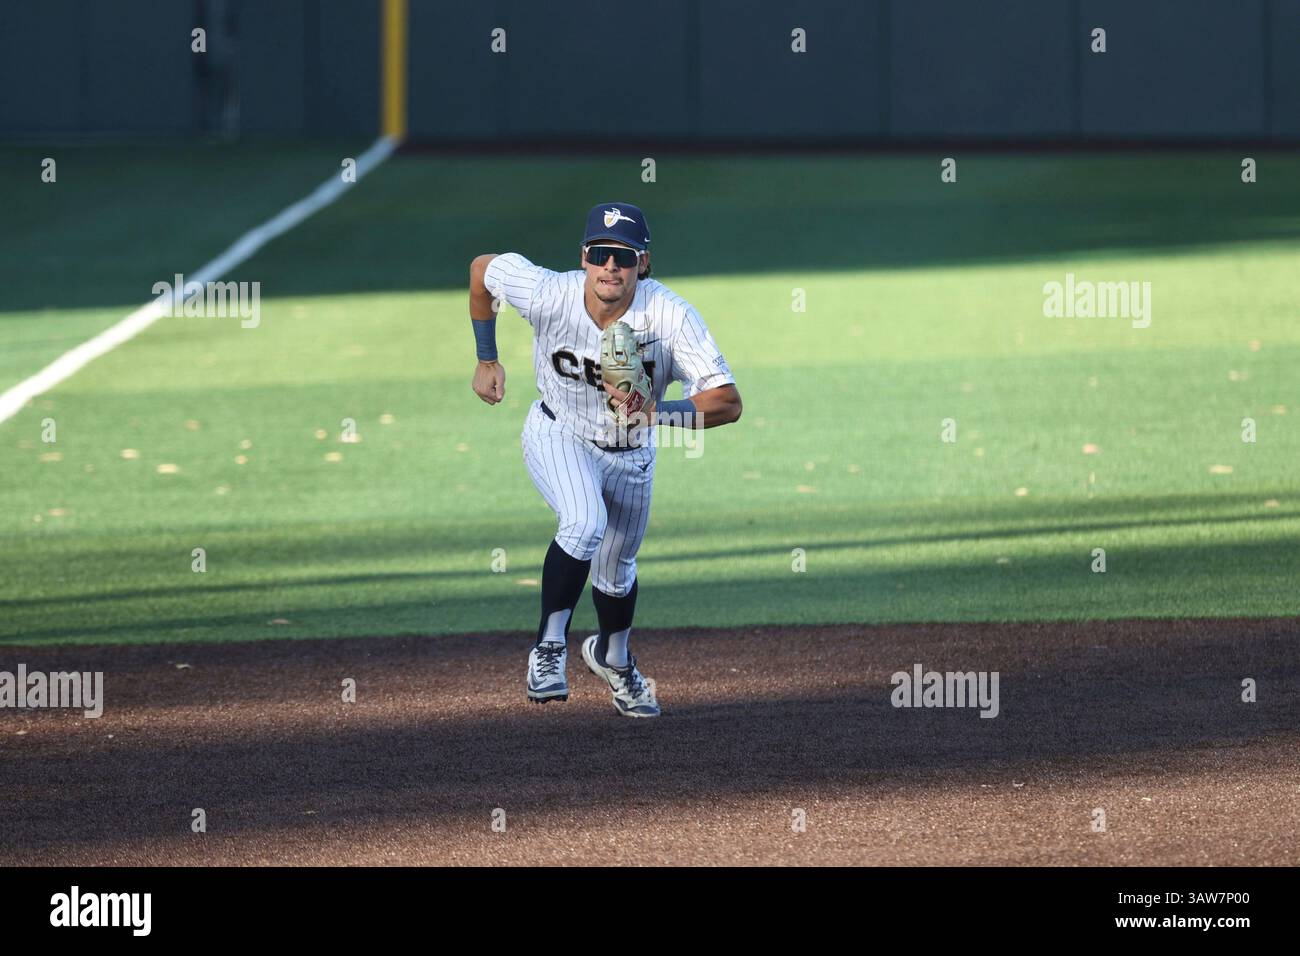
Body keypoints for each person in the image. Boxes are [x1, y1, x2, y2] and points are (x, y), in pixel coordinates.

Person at [467, 202, 742, 717]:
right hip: (558, 431)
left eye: (623, 256)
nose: (610, 266)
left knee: (616, 572)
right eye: (601, 254)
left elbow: (728, 402)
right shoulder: (549, 293)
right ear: (584, 258)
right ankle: (548, 649)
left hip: (633, 454)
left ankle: (613, 658)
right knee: (583, 522)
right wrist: (487, 357)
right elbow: (483, 268)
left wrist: (657, 412)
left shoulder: (671, 316)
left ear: (644, 264)